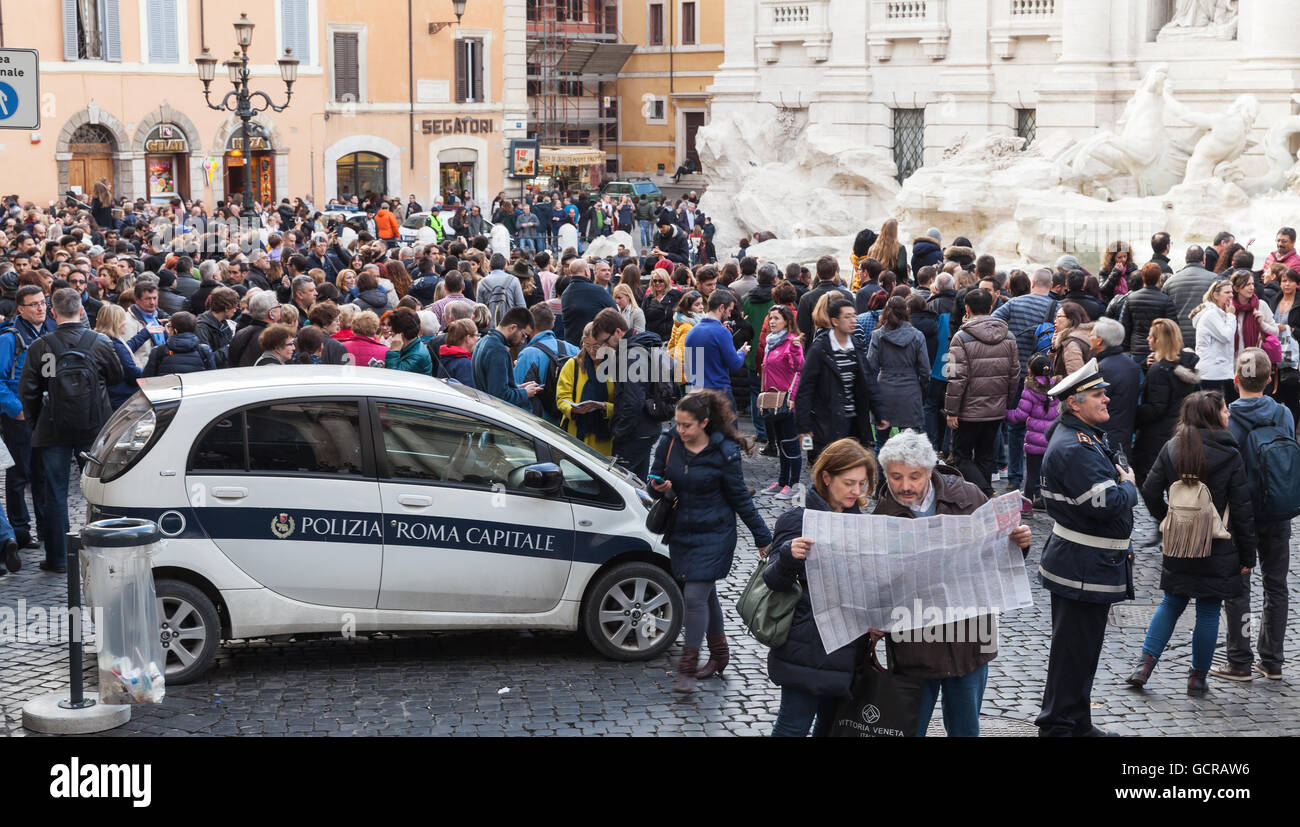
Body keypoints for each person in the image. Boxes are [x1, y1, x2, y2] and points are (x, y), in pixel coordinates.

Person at [876, 430, 1033, 735]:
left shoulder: (969, 496)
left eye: (914, 476)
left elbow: (998, 557)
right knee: (909, 728)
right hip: (915, 642)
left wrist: (1019, 543)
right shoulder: (882, 515)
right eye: (895, 477)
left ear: (930, 471)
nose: (905, 486)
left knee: (965, 728)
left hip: (970, 639)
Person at [1129, 391, 1256, 694]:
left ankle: (1144, 666)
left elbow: (1148, 490)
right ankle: (1197, 678)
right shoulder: (1230, 453)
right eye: (1225, 411)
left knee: (1172, 602)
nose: (1229, 415)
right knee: (1209, 611)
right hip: (1218, 543)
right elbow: (1241, 508)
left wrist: (1167, 520)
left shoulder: (1173, 447)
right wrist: (1248, 556)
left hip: (1180, 539)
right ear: (1213, 416)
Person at [1035, 359, 1137, 737]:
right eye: (1098, 394)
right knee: (1073, 654)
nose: (1107, 398)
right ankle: (1059, 726)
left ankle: (1076, 722)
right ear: (1075, 403)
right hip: (1081, 566)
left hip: (1087, 564)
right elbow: (1107, 501)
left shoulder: (1084, 435)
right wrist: (1129, 486)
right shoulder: (1076, 446)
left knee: (1082, 653)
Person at [649, 391, 771, 693]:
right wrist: (658, 486)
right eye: (678, 423)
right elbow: (653, 478)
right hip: (682, 531)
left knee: (694, 596)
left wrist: (763, 537)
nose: (681, 430)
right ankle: (720, 655)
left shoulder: (724, 451)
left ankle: (687, 668)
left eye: (687, 425)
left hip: (715, 534)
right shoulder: (669, 442)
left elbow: (740, 497)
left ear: (704, 422)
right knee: (706, 594)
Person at [764, 438, 875, 736]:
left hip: (847, 645)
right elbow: (772, 580)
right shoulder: (795, 521)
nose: (856, 491)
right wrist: (788, 555)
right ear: (827, 477)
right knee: (792, 727)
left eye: (861, 484)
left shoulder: (863, 526)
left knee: (831, 729)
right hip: (806, 644)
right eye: (849, 482)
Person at [18, 288, 123, 573]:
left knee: (55, 493)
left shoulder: (42, 346)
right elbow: (116, 375)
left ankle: (59, 558)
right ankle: (103, 550)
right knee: (99, 491)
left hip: (53, 429)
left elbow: (28, 389)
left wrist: (36, 422)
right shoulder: (99, 342)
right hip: (93, 427)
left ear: (53, 312)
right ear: (81, 310)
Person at [1216, 348, 1296, 682]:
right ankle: (1273, 660)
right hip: (1278, 510)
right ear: (1271, 380)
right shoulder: (1284, 414)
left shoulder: (1227, 417)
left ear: (1236, 381)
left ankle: (1239, 659)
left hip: (1241, 515)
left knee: (1239, 585)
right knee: (1276, 585)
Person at [944, 289, 1019, 496]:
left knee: (961, 457)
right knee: (986, 456)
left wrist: (951, 411)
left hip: (968, 411)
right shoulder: (1009, 336)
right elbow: (1014, 375)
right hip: (995, 409)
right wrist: (1005, 403)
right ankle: (982, 499)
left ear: (966, 309)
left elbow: (954, 377)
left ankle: (985, 493)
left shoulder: (961, 337)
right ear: (991, 308)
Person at [0, 284, 56, 552]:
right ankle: (21, 531)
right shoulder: (9, 337)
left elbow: (50, 372)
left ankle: (46, 528)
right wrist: (15, 408)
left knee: (42, 472)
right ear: (21, 309)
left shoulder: (49, 331)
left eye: (43, 303)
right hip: (19, 416)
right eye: (34, 304)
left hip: (43, 413)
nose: (40, 308)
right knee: (19, 474)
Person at [795, 298, 881, 465]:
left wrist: (880, 412)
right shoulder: (821, 348)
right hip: (826, 421)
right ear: (835, 321)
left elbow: (868, 382)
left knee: (848, 468)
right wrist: (803, 426)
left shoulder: (855, 345)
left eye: (854, 315)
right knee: (828, 468)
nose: (853, 320)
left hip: (853, 421)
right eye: (847, 316)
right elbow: (805, 388)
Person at [1132, 319, 1201, 486]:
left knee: (1146, 480)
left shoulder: (1159, 370)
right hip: (1182, 431)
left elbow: (1157, 408)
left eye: (1151, 337)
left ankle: (1161, 513)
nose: (1147, 339)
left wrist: (1134, 413)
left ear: (1159, 340)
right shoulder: (1188, 363)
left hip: (1157, 435)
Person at [866, 295, 928, 452]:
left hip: (884, 390)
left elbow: (871, 366)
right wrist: (921, 388)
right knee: (910, 445)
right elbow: (925, 370)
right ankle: (906, 476)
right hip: (910, 391)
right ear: (906, 312)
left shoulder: (878, 335)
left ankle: (881, 477)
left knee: (881, 444)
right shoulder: (917, 335)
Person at [759, 305, 804, 500]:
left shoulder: (791, 342)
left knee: (790, 443)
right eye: (770, 318)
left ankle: (793, 484)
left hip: (787, 401)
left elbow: (799, 368)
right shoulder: (772, 343)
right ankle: (782, 481)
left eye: (776, 318)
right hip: (773, 401)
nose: (772, 322)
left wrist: (795, 350)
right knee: (780, 442)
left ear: (786, 321)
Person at [556, 322, 616, 455]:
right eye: (587, 345)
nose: (591, 350)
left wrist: (604, 406)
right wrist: (572, 409)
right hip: (575, 435)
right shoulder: (573, 365)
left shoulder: (616, 366)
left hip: (605, 440)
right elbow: (562, 398)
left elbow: (623, 405)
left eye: (596, 346)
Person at [515, 303, 581, 424]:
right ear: (553, 324)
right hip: (567, 423)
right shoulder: (574, 350)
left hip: (537, 426)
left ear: (530, 325)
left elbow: (515, 395)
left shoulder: (528, 354)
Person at [683, 290, 748, 402]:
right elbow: (735, 364)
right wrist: (742, 352)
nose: (729, 315)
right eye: (729, 310)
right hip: (719, 392)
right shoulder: (722, 332)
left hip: (697, 393)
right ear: (721, 308)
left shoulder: (691, 332)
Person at [1091, 317, 1141, 460]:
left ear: (1100, 341)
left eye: (1092, 334)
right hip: (1123, 435)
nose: (1089, 337)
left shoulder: (1104, 368)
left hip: (1107, 438)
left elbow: (1094, 404)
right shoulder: (1129, 364)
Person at [472, 307, 540, 411]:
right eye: (523, 335)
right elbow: (499, 397)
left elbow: (491, 385)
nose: (522, 341)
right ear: (512, 327)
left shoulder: (484, 341)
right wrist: (525, 393)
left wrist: (518, 387)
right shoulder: (498, 350)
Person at [1121, 262, 1177, 367]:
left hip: (1137, 349)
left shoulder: (1131, 298)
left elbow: (1125, 326)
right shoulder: (1166, 300)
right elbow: (1172, 327)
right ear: (1159, 278)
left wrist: (1127, 348)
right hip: (1160, 349)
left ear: (1143, 278)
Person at [1163, 246, 1219, 348]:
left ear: (1186, 259)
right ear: (1204, 259)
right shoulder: (1214, 280)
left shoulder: (1169, 282)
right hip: (1207, 337)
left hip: (1179, 338)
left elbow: (1165, 313)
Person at [1191, 280, 1237, 401]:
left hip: (1219, 371)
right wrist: (1231, 316)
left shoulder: (1220, 314)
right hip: (1212, 372)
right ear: (1216, 295)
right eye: (1227, 292)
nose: (1231, 295)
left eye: (1232, 292)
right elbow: (1226, 336)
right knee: (1214, 410)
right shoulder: (1211, 314)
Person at [796, 256, 853, 345]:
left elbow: (802, 330)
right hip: (843, 347)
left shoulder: (806, 298)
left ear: (817, 273)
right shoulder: (847, 296)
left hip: (814, 349)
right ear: (835, 273)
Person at [559, 259, 616, 347]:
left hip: (571, 347)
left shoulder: (565, 293)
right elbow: (615, 314)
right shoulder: (597, 290)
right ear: (586, 272)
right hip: (593, 346)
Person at [142, 312, 216, 376]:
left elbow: (147, 379)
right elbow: (212, 376)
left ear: (175, 331)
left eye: (169, 326)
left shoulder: (158, 351)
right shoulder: (204, 350)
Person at [1230, 269, 1278, 358]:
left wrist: (1261, 324)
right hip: (1232, 361)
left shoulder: (1261, 305)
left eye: (1252, 284)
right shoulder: (1229, 308)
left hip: (1255, 360)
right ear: (1236, 288)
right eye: (1247, 285)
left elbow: (1275, 332)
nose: (1252, 287)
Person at [383, 307, 433, 375]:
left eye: (392, 332)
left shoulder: (416, 356)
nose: (391, 335)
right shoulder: (411, 347)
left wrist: (394, 351)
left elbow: (393, 376)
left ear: (400, 334)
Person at [1050, 301, 1092, 381]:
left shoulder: (1071, 343)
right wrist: (1054, 348)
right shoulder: (1085, 335)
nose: (1055, 321)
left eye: (1058, 317)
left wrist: (1055, 380)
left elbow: (1075, 378)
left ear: (1071, 319)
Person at [436, 318, 478, 386]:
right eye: (476, 335)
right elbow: (470, 393)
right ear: (468, 338)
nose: (477, 339)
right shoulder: (464, 364)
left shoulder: (447, 356)